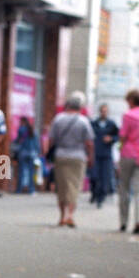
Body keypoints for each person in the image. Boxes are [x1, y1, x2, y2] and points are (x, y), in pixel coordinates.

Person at [48, 93, 95, 228]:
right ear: (80, 107)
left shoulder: (58, 119)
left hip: (61, 155)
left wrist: (47, 153)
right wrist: (91, 156)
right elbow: (89, 142)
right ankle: (70, 215)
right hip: (78, 157)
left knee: (62, 186)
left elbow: (51, 139)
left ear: (67, 105)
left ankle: (62, 216)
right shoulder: (83, 121)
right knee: (74, 186)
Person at [116, 89, 139, 234]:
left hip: (128, 153)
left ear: (131, 101)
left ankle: (123, 222)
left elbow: (123, 135)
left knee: (124, 188)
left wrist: (121, 147)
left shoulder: (128, 115)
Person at [88, 103, 118, 207]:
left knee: (105, 177)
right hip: (95, 153)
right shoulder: (93, 123)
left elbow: (117, 136)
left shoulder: (112, 124)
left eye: (105, 111)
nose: (104, 113)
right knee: (94, 176)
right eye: (102, 111)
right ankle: (94, 192)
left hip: (106, 154)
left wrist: (111, 139)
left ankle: (101, 197)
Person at [11, 117, 41, 194]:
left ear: (22, 121)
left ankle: (19, 190)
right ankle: (31, 190)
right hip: (33, 153)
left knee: (21, 172)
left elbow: (17, 140)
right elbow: (37, 143)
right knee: (32, 172)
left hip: (23, 152)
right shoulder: (33, 130)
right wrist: (38, 152)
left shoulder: (21, 129)